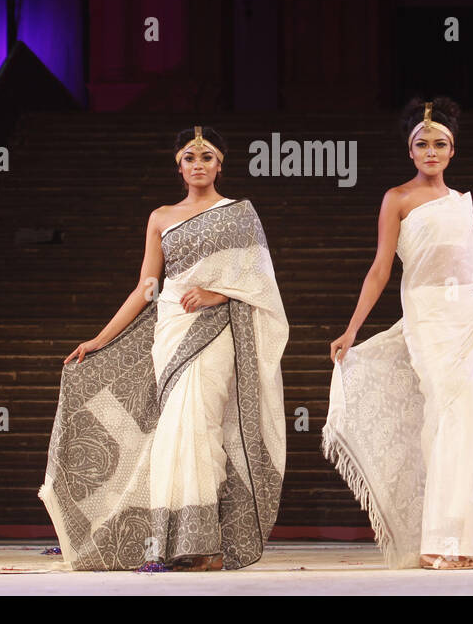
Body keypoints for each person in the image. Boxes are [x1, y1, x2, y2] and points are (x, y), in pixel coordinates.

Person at [40, 126, 288, 571]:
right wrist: (100, 339)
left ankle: (207, 543)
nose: (198, 164)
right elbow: (147, 286)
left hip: (215, 332)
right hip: (171, 328)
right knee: (175, 428)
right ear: (179, 166)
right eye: (190, 158)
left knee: (202, 426)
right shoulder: (161, 217)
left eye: (207, 157)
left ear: (220, 164)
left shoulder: (239, 214)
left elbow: (261, 283)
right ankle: (179, 542)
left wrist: (220, 294)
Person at [324, 97, 473, 569]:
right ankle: (443, 542)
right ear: (410, 151)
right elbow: (380, 270)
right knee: (450, 414)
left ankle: (457, 541)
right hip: (428, 318)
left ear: (453, 151)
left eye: (440, 143)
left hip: (467, 316)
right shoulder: (398, 199)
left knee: (463, 420)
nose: (431, 151)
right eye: (422, 143)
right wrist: (351, 329)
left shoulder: (460, 203)